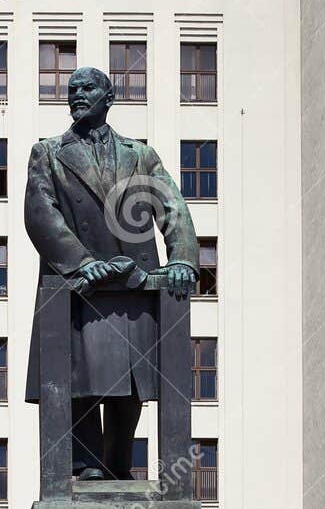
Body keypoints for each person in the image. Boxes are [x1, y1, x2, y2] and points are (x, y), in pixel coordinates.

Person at [24, 65, 198, 479]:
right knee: (79, 378)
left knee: (129, 382)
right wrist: (83, 262)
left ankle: (118, 464)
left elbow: (172, 207)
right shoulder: (48, 152)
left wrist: (181, 259)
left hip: (132, 284)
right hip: (79, 284)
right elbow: (41, 213)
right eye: (72, 89)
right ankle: (88, 466)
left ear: (109, 97)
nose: (77, 95)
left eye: (87, 88)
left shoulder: (140, 154)